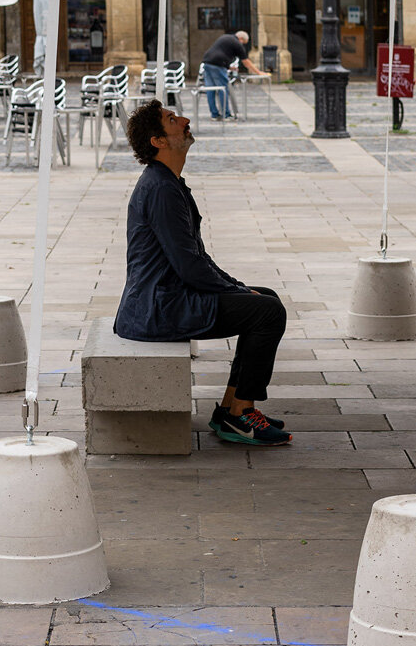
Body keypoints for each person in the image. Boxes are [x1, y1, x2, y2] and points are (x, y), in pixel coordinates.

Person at [115, 98, 291, 446]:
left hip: (166, 296)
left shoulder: (169, 182)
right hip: (158, 307)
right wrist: (237, 292)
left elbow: (196, 256)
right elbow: (190, 266)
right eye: (172, 119)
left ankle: (231, 408)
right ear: (159, 141)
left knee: (264, 299)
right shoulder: (162, 188)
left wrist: (237, 287)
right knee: (268, 313)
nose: (184, 120)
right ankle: (241, 415)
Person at [199, 28, 267, 120]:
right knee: (223, 89)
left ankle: (214, 115)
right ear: (241, 39)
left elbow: (219, 53)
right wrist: (259, 72)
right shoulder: (237, 43)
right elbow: (246, 62)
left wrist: (229, 67)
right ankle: (226, 115)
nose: (242, 45)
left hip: (207, 63)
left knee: (210, 90)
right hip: (218, 66)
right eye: (244, 43)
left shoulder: (225, 37)